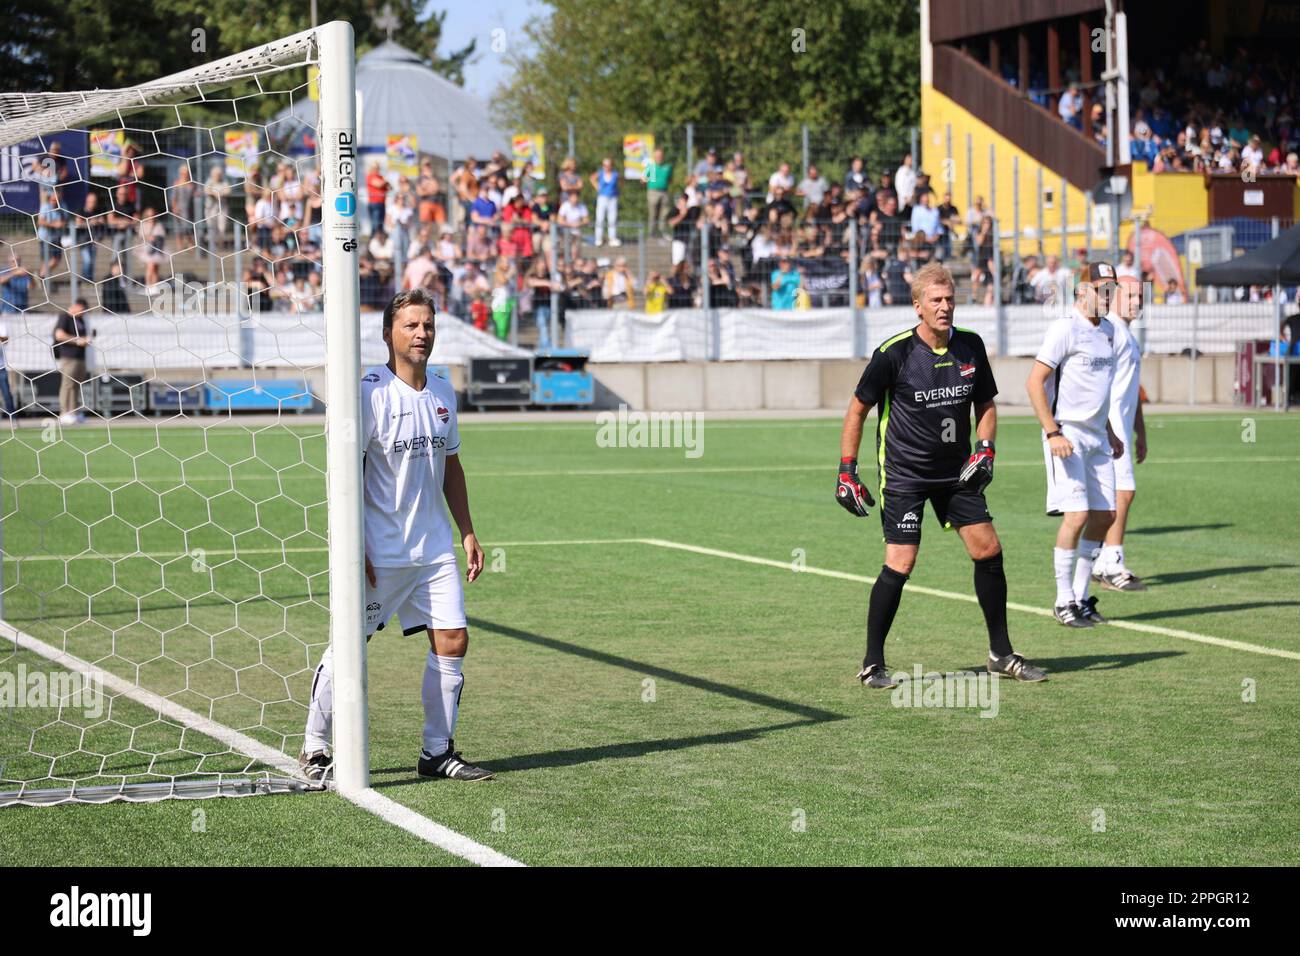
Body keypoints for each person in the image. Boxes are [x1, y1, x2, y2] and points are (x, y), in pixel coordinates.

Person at [301, 288, 491, 782]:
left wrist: (466, 531)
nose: (422, 333)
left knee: (452, 639)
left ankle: (436, 752)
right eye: (411, 325)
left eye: (427, 325)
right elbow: (344, 473)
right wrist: (353, 543)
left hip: (433, 549)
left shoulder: (444, 390)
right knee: (349, 646)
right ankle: (315, 747)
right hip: (377, 551)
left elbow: (452, 465)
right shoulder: (368, 392)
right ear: (389, 333)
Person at [838, 262, 1046, 688]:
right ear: (918, 306)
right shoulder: (893, 353)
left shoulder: (970, 346)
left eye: (950, 298)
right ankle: (872, 663)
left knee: (988, 550)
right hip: (904, 475)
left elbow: (985, 405)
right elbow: (857, 409)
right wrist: (847, 470)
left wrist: (985, 449)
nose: (945, 306)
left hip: (956, 474)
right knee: (901, 562)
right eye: (936, 300)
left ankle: (1000, 654)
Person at [1025, 262, 1125, 628]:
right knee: (1078, 516)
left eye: (1113, 289)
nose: (1109, 295)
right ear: (1082, 291)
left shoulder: (1111, 332)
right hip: (1066, 435)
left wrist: (1111, 431)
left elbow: (1100, 391)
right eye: (1102, 288)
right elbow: (1034, 382)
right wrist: (1052, 432)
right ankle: (1062, 600)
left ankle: (1081, 598)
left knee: (1106, 516)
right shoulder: (1064, 329)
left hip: (1098, 436)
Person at [1093, 274, 1148, 590]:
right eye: (1130, 295)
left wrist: (1141, 431)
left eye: (1140, 296)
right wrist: (1109, 428)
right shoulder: (1111, 332)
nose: (1137, 302)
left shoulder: (1126, 333)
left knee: (1112, 497)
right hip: (1110, 430)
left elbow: (1132, 387)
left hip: (1122, 429)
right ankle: (1111, 562)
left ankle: (1102, 560)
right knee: (1122, 493)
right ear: (1113, 297)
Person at [53, 299, 91, 425]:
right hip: (68, 357)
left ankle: (74, 413)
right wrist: (77, 340)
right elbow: (59, 335)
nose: (83, 313)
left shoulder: (80, 320)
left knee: (76, 386)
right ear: (76, 306)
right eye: (82, 310)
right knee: (67, 385)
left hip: (80, 357)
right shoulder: (65, 317)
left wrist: (86, 341)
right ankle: (64, 413)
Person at [590, 157, 621, 247]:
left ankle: (612, 238)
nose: (606, 167)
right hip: (602, 197)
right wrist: (597, 187)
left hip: (613, 198)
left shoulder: (615, 174)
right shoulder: (600, 173)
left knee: (612, 218)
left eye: (608, 165)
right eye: (605, 165)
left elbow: (621, 181)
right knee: (600, 217)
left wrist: (618, 191)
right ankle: (599, 238)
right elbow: (592, 178)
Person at [644, 147, 673, 240]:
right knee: (653, 213)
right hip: (653, 192)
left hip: (664, 191)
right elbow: (644, 179)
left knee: (664, 212)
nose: (659, 158)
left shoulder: (667, 167)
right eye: (657, 156)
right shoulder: (651, 167)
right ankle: (652, 232)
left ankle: (662, 231)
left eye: (660, 156)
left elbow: (670, 179)